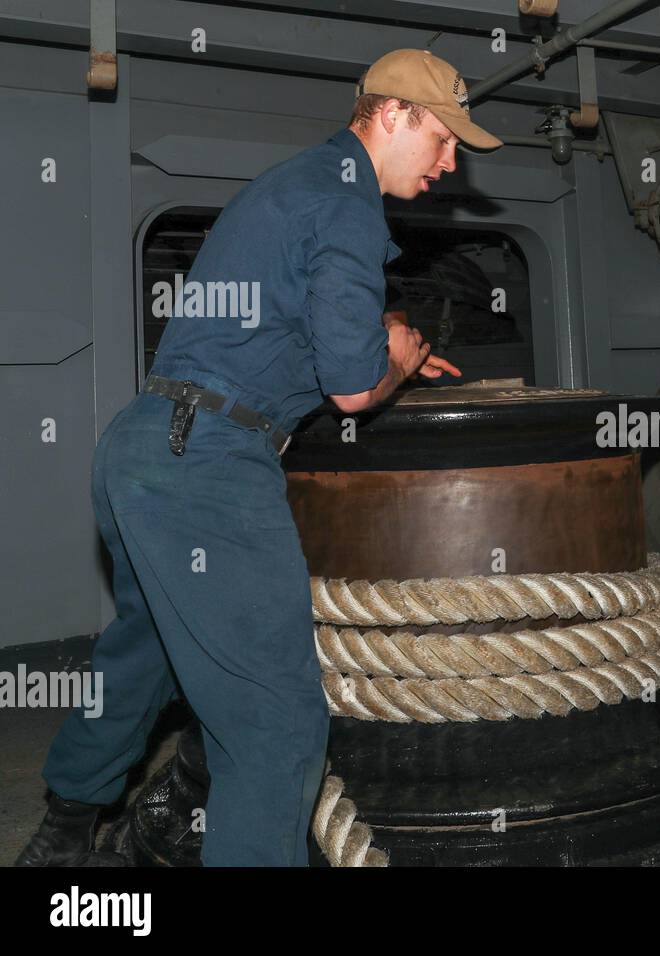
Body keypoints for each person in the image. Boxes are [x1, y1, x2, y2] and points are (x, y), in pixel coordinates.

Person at [16, 49, 503, 866]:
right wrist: (393, 367)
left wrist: (386, 341)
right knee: (275, 723)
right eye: (444, 138)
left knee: (145, 656)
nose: (450, 162)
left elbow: (290, 322)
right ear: (394, 115)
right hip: (210, 467)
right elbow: (352, 390)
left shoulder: (299, 184)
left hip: (143, 447)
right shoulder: (349, 204)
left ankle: (63, 832)